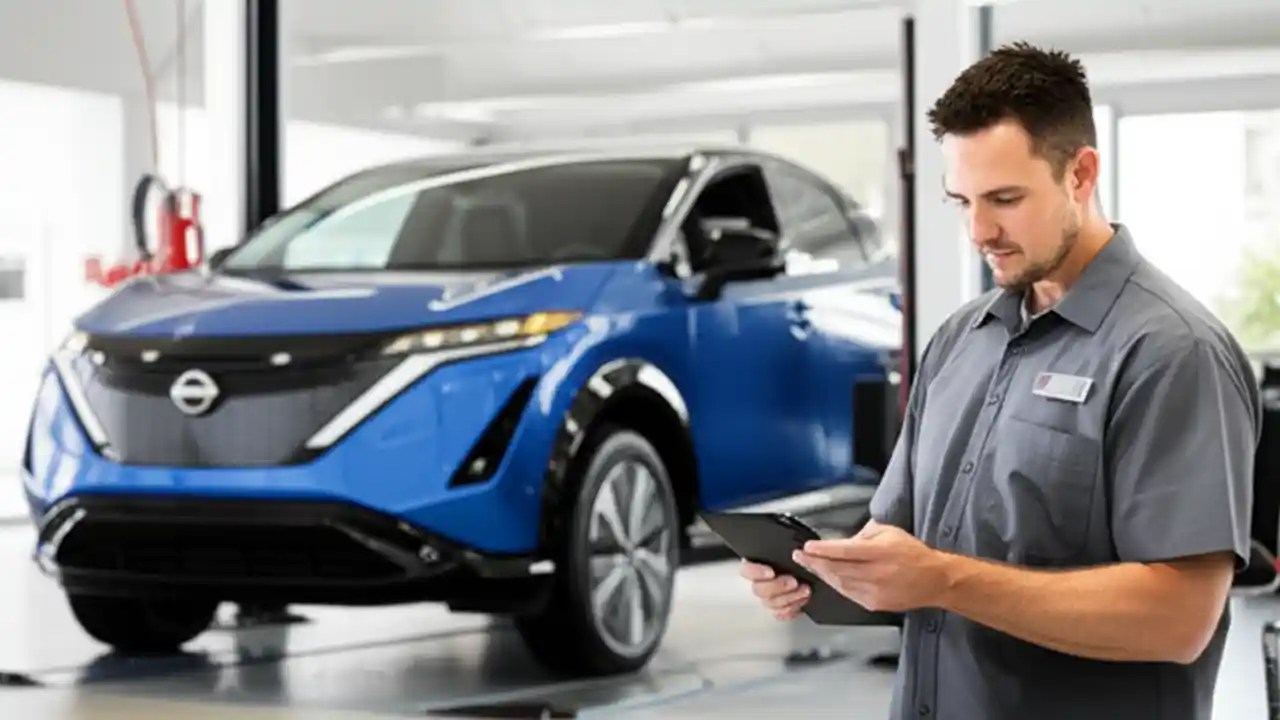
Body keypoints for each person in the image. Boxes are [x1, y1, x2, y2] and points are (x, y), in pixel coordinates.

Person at [740, 42, 1262, 720]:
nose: (978, 230)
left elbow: (1180, 618)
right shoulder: (961, 341)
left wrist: (946, 580)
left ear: (1081, 173)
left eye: (1005, 199)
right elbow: (897, 548)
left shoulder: (1171, 353)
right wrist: (818, 574)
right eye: (962, 201)